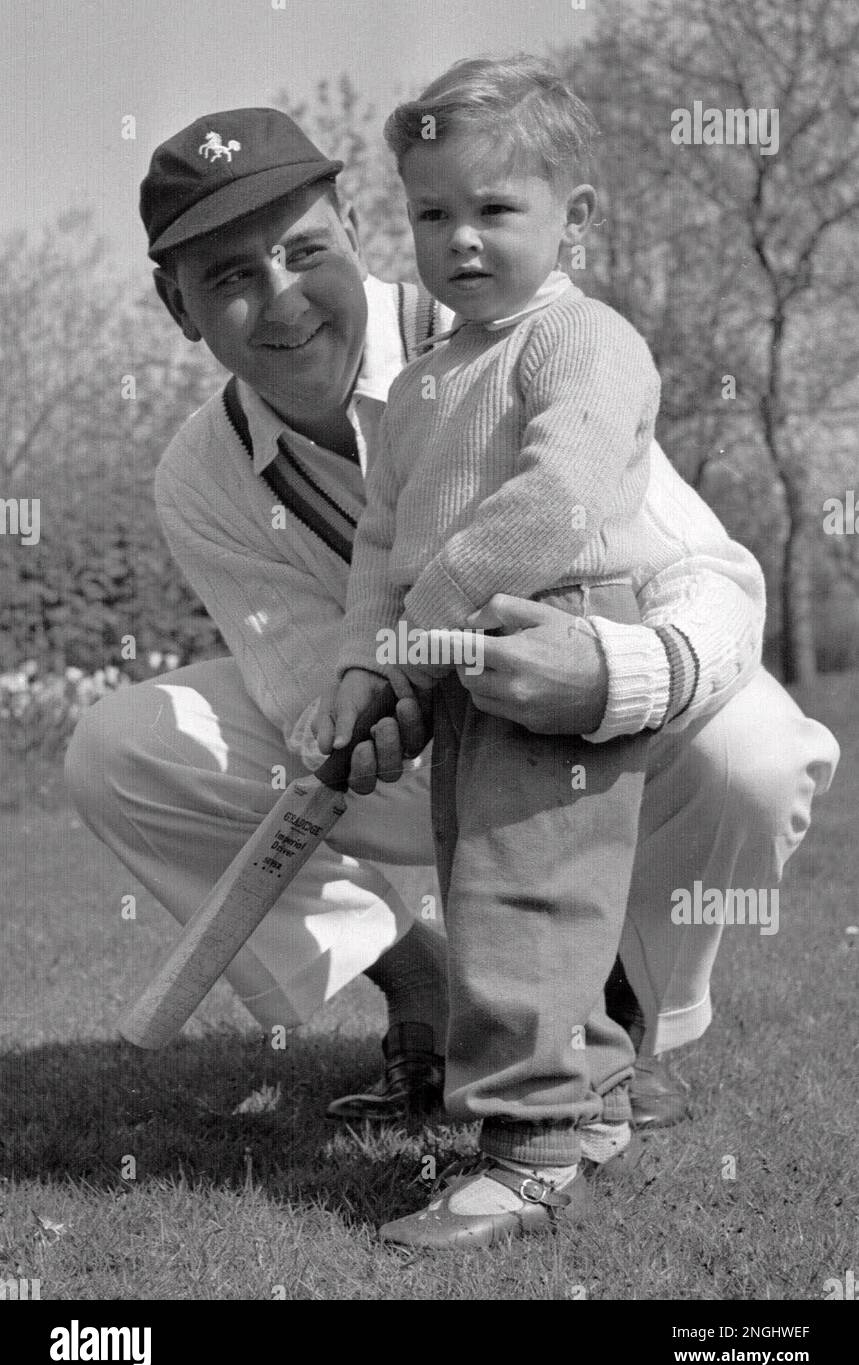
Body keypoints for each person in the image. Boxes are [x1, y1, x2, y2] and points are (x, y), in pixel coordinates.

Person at [64, 104, 838, 1165]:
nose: (281, 298)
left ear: (353, 229)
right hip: (417, 744)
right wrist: (353, 705)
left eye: (303, 250)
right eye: (230, 276)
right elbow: (299, 681)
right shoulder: (199, 475)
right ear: (176, 305)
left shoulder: (520, 329)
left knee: (757, 751)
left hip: (584, 703)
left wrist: (613, 674)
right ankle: (419, 984)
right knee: (123, 746)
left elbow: (709, 580)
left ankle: (621, 1020)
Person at [319, 57, 677, 1244]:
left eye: (494, 210)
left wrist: (432, 619)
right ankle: (597, 1102)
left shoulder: (579, 340)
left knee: (527, 893)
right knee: (489, 889)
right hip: (460, 656)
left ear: (575, 217)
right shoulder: (421, 382)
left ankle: (523, 1151)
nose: (460, 240)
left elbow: (556, 500)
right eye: (432, 214)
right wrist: (375, 664)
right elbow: (380, 539)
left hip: (553, 639)